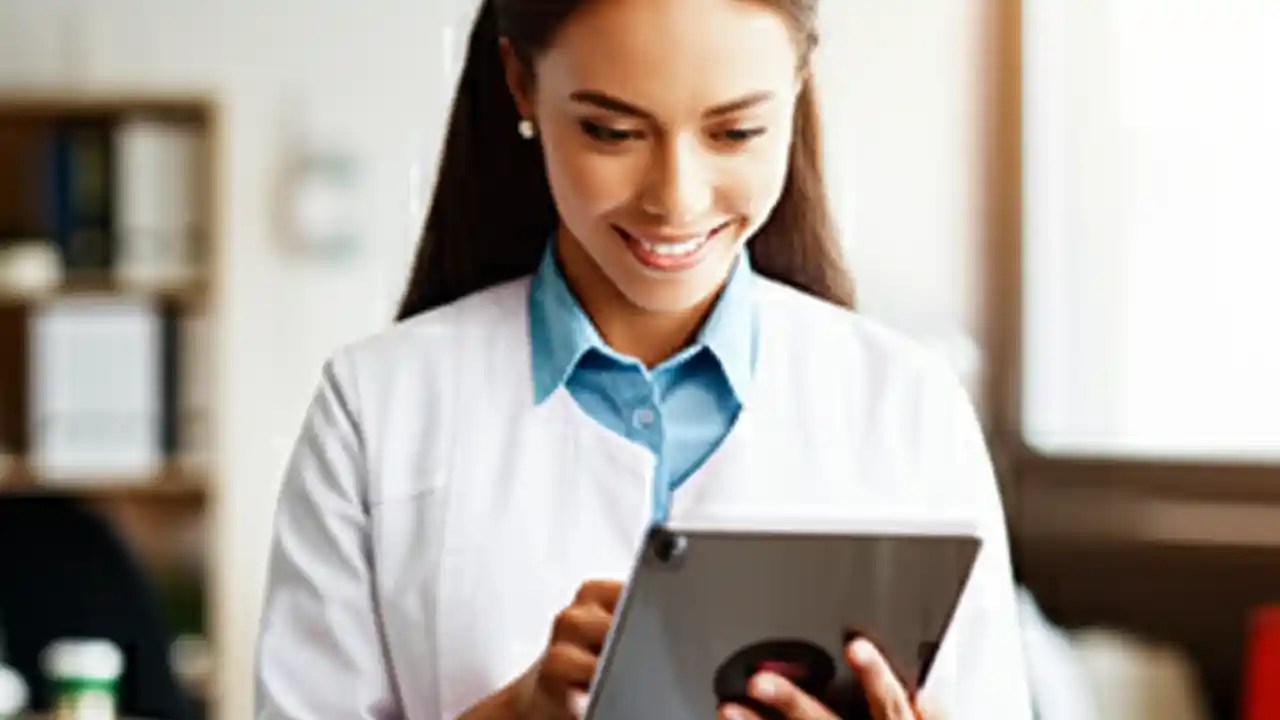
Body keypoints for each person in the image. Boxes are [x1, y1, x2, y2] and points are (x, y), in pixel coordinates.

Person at [254, 0, 1032, 718]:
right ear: (521, 84)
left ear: (797, 88)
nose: (676, 199)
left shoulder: (907, 407)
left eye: (734, 133)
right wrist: (517, 715)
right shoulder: (377, 409)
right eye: (613, 132)